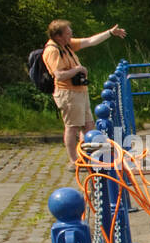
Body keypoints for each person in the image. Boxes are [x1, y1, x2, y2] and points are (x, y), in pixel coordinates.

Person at [42, 19, 127, 162]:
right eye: (68, 34)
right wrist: (78, 69)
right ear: (58, 36)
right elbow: (59, 75)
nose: (71, 36)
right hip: (68, 93)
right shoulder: (52, 50)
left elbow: (90, 41)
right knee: (72, 127)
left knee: (88, 125)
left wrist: (110, 33)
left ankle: (88, 156)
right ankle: (74, 160)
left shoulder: (66, 45)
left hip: (80, 91)